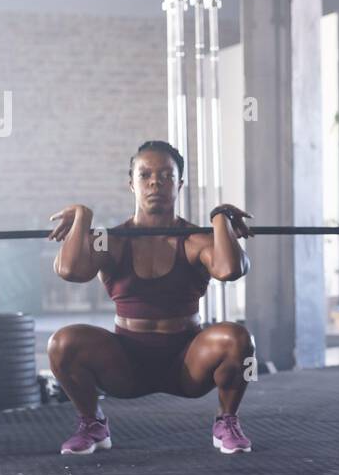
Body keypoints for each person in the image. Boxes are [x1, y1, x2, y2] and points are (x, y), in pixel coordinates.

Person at [46, 140, 256, 456]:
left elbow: (230, 269)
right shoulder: (112, 240)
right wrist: (82, 217)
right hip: (126, 365)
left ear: (180, 184)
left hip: (188, 363)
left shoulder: (195, 239)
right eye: (145, 175)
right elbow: (70, 271)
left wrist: (219, 218)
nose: (155, 182)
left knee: (239, 339)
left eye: (166, 176)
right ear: (132, 184)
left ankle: (227, 420)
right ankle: (92, 423)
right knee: (62, 344)